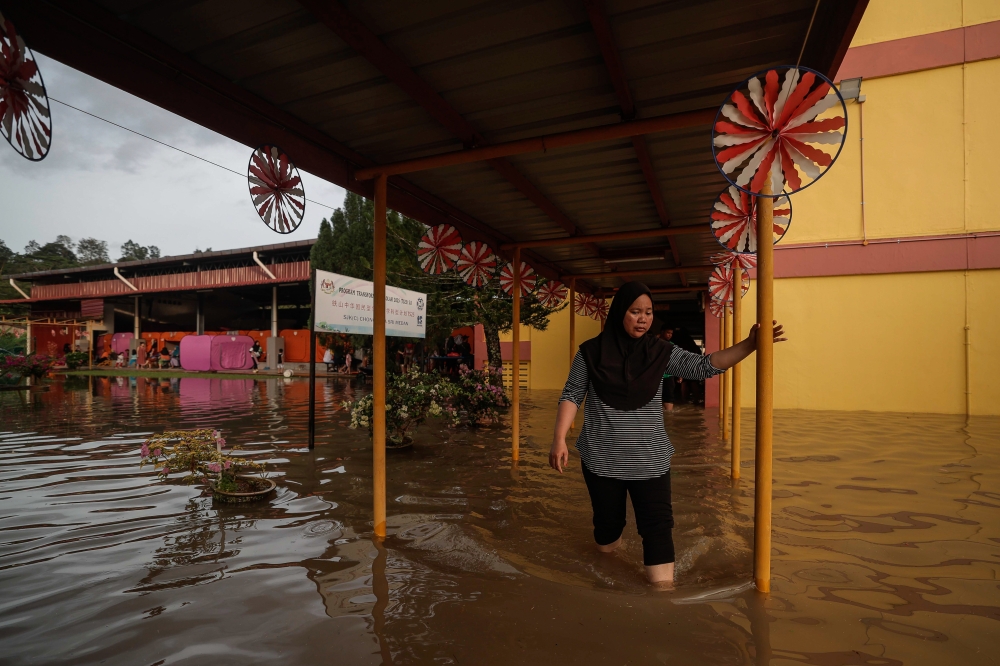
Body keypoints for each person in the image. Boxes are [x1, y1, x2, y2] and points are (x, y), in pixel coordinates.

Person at [549, 281, 785, 586]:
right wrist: (559, 439)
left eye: (648, 312)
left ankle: (663, 599)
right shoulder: (590, 353)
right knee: (608, 528)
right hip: (601, 460)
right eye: (635, 312)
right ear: (620, 312)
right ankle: (606, 573)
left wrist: (749, 344)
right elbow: (572, 393)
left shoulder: (661, 352)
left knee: (657, 528)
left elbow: (704, 366)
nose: (643, 318)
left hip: (651, 462)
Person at [660, 328, 677, 411]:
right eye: (668, 332)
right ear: (662, 332)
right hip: (656, 375)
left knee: (669, 396)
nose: (670, 335)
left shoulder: (672, 345)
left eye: (671, 333)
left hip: (669, 374)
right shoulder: (654, 343)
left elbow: (675, 360)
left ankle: (669, 414)